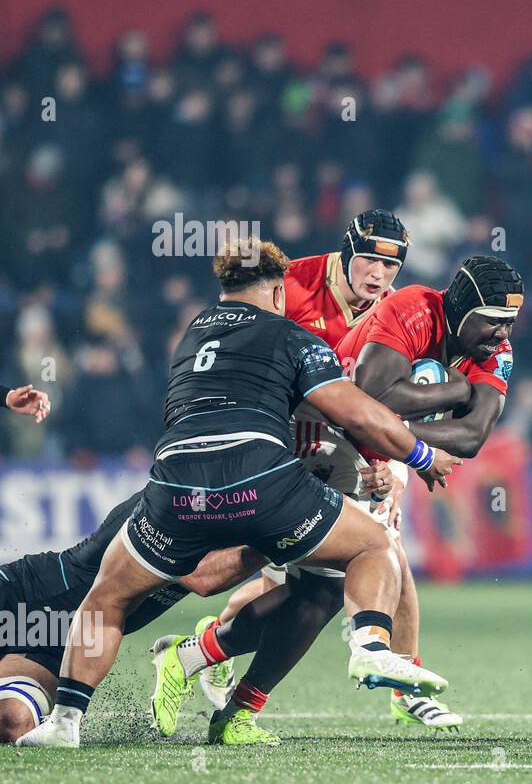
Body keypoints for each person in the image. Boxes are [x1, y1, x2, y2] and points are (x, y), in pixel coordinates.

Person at [16, 239, 449, 749]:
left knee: (105, 599)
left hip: (176, 482)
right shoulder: (291, 335)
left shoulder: (191, 335)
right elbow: (352, 410)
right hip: (261, 479)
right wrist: (419, 456)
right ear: (273, 291)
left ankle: (65, 723)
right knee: (373, 544)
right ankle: (368, 643)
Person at [0, 491, 265, 742]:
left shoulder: (253, 511)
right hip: (17, 596)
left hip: (57, 642)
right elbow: (201, 578)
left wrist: (219, 639)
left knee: (14, 721)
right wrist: (283, 541)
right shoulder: (184, 494)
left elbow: (257, 596)